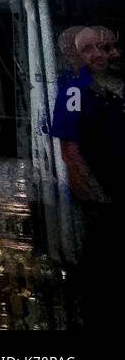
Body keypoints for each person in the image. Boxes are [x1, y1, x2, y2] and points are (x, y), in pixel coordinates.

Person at [51, 25, 124, 327]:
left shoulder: (117, 87)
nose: (99, 55)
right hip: (100, 193)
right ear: (75, 56)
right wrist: (95, 193)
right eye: (89, 49)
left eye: (104, 48)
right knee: (102, 259)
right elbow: (69, 147)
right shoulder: (74, 89)